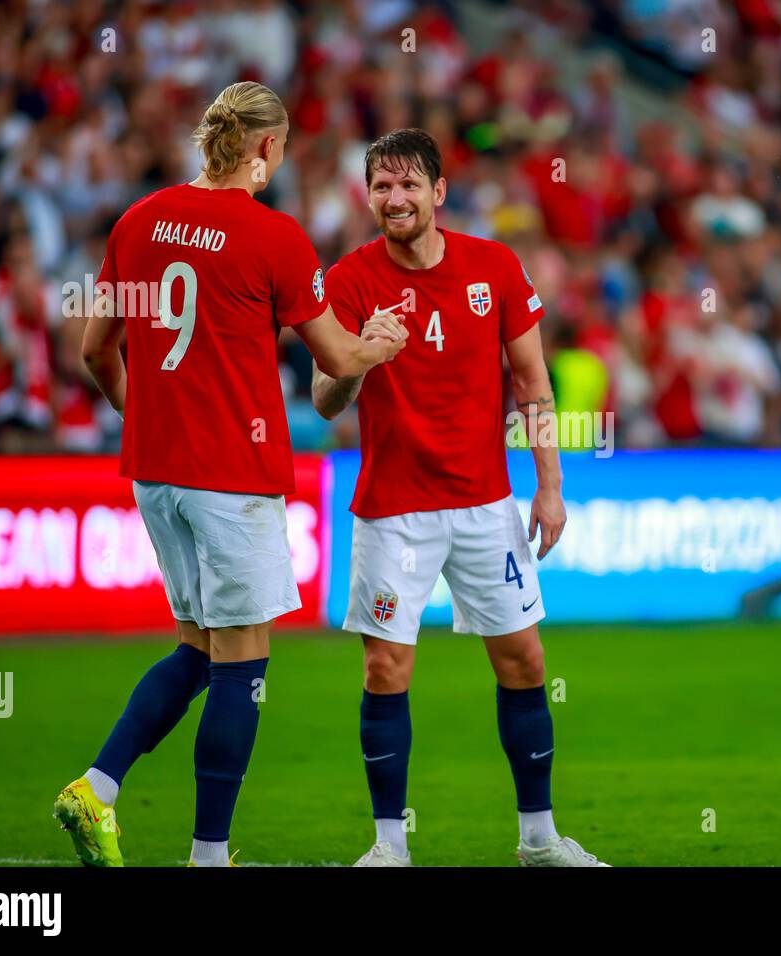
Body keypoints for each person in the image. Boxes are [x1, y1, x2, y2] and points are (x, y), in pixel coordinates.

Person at [53, 82, 407, 867]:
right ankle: (208, 856)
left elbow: (93, 351)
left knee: (201, 649)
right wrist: (382, 338)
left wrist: (144, 418)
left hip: (158, 473)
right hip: (231, 473)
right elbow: (339, 359)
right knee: (244, 660)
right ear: (268, 150)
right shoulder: (273, 236)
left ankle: (98, 788)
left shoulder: (138, 222)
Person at [313, 128, 607, 867]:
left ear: (439, 193)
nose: (395, 198)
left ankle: (539, 839)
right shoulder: (349, 280)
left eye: (409, 185)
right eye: (382, 186)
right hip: (393, 509)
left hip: (484, 504)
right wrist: (359, 360)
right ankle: (388, 847)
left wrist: (550, 486)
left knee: (524, 660)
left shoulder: (494, 266)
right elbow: (323, 399)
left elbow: (533, 384)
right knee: (386, 670)